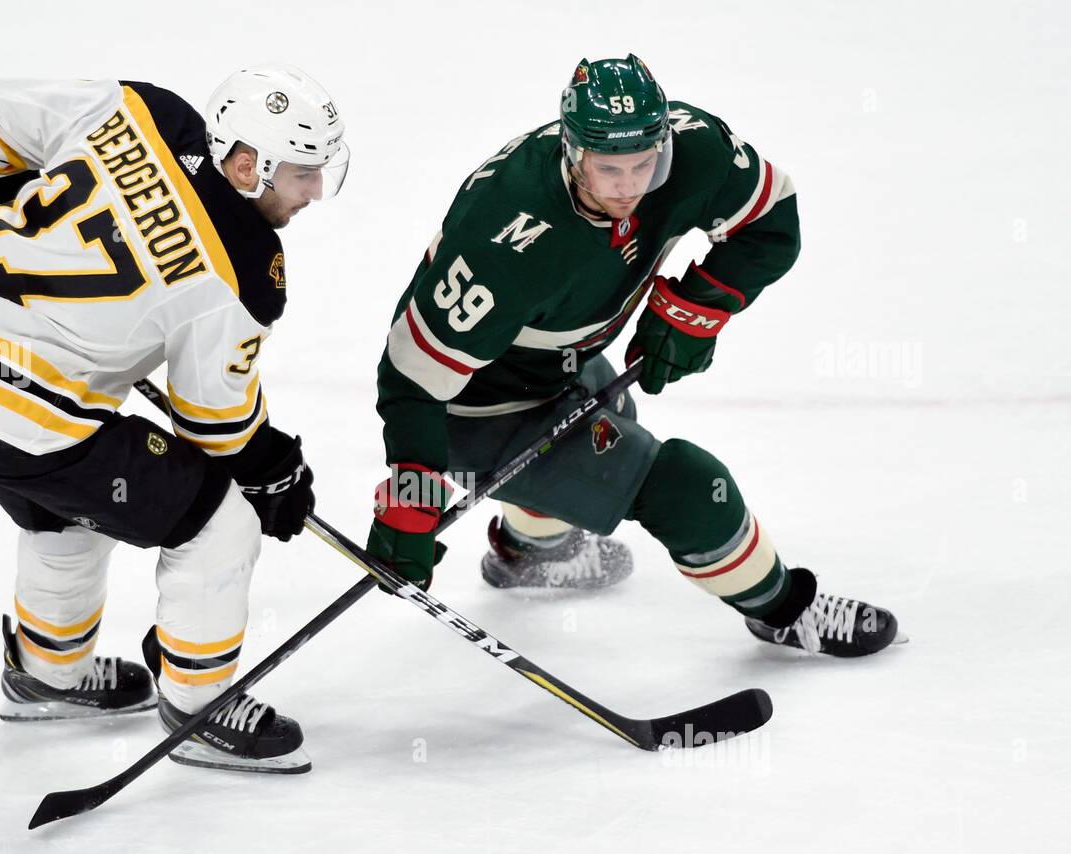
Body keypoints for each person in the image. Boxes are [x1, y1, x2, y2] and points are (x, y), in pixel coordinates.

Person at [0, 66, 350, 773]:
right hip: (20, 416)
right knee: (223, 514)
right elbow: (214, 422)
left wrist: (23, 235)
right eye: (302, 174)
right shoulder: (246, 267)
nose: (312, 193)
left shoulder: (143, 110)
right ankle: (199, 703)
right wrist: (272, 468)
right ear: (248, 165)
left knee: (69, 502)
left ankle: (47, 675)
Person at [367, 55, 898, 657]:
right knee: (689, 488)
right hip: (472, 410)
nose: (628, 186)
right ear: (571, 152)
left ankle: (530, 553)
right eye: (608, 168)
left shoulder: (696, 150)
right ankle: (784, 611)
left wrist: (695, 308)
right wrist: (412, 494)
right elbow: (412, 380)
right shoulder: (504, 235)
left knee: (613, 411)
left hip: (561, 359)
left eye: (644, 164)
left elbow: (773, 218)